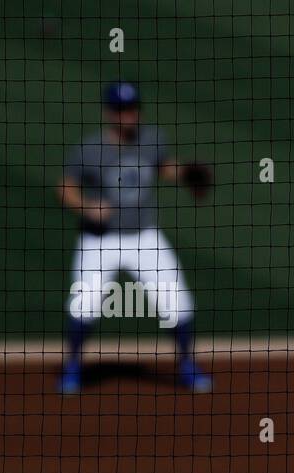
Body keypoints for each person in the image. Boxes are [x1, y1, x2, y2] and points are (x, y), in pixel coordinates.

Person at [55, 81, 212, 393]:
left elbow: (161, 166)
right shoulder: (90, 149)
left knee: (178, 300)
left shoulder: (152, 139)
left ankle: (187, 365)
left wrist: (184, 173)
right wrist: (86, 206)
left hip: (145, 238)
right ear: (108, 113)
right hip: (99, 241)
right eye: (120, 110)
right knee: (83, 305)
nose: (127, 115)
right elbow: (65, 186)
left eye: (132, 108)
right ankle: (73, 366)